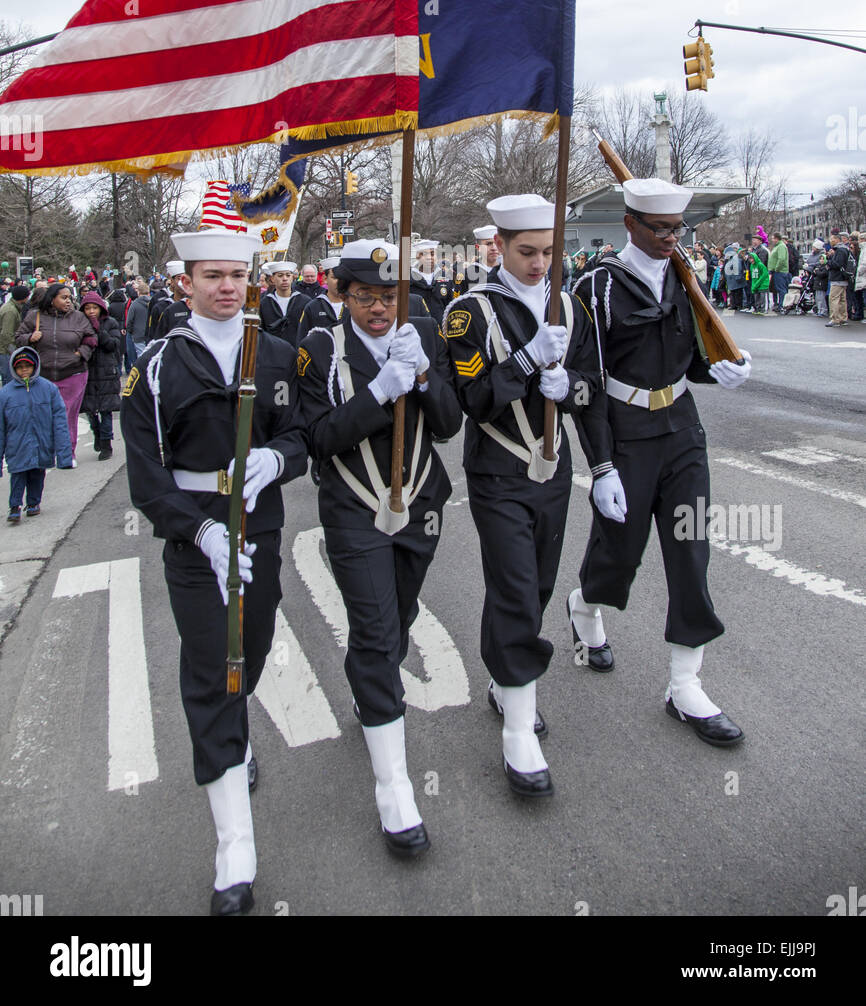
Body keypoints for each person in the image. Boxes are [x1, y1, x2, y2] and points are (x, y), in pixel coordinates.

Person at [120, 228, 307, 915]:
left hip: (259, 527)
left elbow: (301, 435)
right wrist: (198, 531)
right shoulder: (157, 365)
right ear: (186, 283)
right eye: (213, 275)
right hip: (195, 540)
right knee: (212, 669)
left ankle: (235, 725)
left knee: (249, 652)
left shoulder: (280, 355)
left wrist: (277, 460)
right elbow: (145, 476)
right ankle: (235, 845)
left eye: (236, 274)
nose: (227, 286)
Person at [568, 178, 751, 747]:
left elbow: (690, 358)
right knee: (619, 555)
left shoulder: (685, 277)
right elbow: (587, 385)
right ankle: (584, 605)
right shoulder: (595, 288)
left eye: (678, 228)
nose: (673, 238)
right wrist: (599, 467)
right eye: (661, 228)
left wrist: (724, 367)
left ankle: (685, 684)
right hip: (625, 434)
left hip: (682, 431)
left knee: (691, 552)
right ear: (630, 224)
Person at [297, 239, 462, 856]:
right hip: (353, 508)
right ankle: (394, 789)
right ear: (343, 294)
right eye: (366, 296)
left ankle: (372, 693)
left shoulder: (419, 331)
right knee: (372, 630)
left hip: (419, 500)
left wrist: (420, 374)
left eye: (389, 296)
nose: (379, 309)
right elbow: (320, 439)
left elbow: (448, 425)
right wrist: (377, 392)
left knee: (397, 622)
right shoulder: (320, 350)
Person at [444, 195, 599, 797]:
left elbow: (592, 388)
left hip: (553, 469)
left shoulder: (568, 304)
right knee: (512, 583)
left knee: (535, 585)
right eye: (526, 252)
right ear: (500, 248)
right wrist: (530, 362)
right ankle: (518, 729)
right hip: (498, 470)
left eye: (548, 252)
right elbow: (473, 402)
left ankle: (503, 681)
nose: (539, 264)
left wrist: (573, 385)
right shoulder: (469, 312)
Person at [15, 283, 97, 464]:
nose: (68, 301)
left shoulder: (78, 318)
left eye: (70, 297)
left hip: (73, 373)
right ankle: (46, 452)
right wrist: (30, 338)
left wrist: (81, 353)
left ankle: (67, 453)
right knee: (44, 415)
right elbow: (18, 337)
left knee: (67, 414)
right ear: (52, 299)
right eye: (64, 297)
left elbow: (91, 338)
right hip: (43, 376)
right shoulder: (35, 316)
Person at [0, 346, 74, 521]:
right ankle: (15, 505)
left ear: (35, 366)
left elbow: (60, 423)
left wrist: (65, 456)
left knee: (37, 474)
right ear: (14, 368)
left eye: (27, 366)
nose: (24, 370)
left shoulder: (48, 389)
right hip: (16, 446)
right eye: (20, 367)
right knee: (18, 475)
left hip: (41, 443)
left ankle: (34, 503)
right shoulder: (5, 394)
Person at [80, 292, 123, 459]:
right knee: (90, 409)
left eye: (94, 308)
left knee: (106, 409)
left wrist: (100, 331)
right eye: (88, 308)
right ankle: (97, 434)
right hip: (88, 370)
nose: (91, 311)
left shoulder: (110, 323)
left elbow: (113, 344)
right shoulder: (81, 324)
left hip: (106, 370)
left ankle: (106, 443)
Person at [259, 260, 305, 345]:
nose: (284, 279)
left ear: (292, 277)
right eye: (280, 276)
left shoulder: (304, 301)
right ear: (272, 279)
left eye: (288, 275)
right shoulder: (264, 303)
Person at [0, 285, 32, 385]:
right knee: (9, 379)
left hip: (6, 349)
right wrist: (12, 351)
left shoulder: (13, 308)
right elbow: (6, 334)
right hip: (5, 350)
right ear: (24, 297)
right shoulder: (10, 311)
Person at [825, 233, 852, 327]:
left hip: (837, 277)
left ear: (837, 239)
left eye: (832, 239)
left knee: (834, 298)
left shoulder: (840, 250)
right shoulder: (845, 249)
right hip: (844, 277)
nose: (830, 241)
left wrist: (828, 262)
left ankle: (835, 319)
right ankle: (843, 318)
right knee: (842, 299)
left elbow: (837, 264)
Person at [805, 239, 829, 317]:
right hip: (815, 280)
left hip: (821, 283)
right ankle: (819, 309)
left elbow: (822, 272)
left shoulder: (822, 261)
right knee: (817, 297)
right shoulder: (812, 255)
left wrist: (815, 270)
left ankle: (823, 310)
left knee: (821, 297)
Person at [768, 232, 790, 311]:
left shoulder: (781, 246)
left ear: (777, 238)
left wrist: (776, 268)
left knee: (781, 289)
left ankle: (782, 305)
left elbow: (781, 259)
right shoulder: (776, 246)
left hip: (780, 271)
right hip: (775, 271)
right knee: (777, 288)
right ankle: (778, 304)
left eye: (773, 238)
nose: (772, 240)